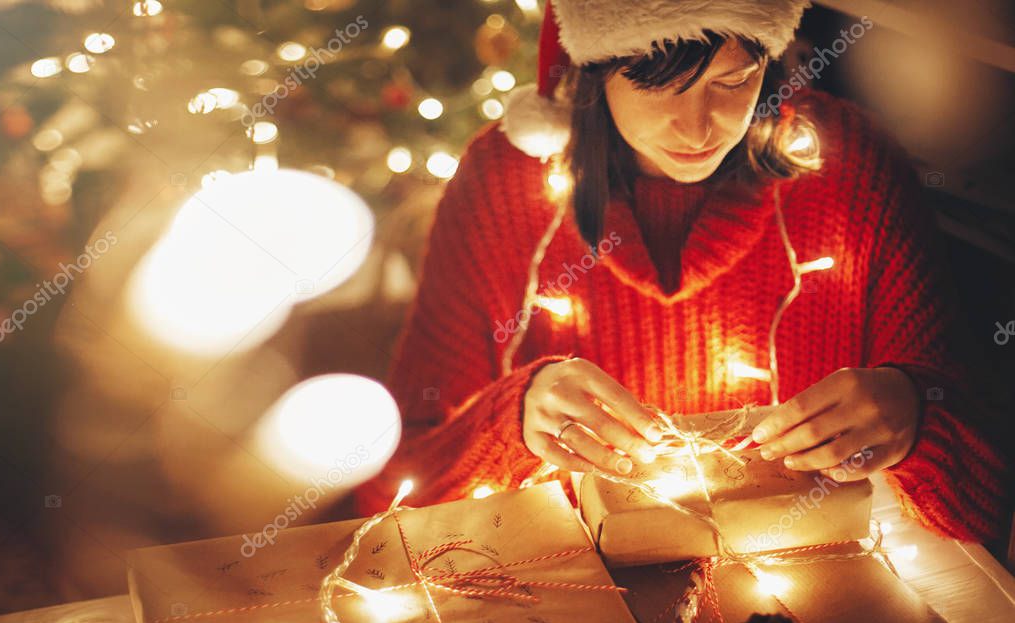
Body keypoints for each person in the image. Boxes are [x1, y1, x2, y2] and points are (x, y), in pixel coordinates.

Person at [356, 0, 1012, 543]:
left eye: (732, 81)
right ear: (591, 71)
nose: (697, 126)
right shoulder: (505, 183)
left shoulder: (847, 167)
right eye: (655, 84)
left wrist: (914, 420)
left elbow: (986, 505)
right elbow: (389, 502)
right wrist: (507, 422)